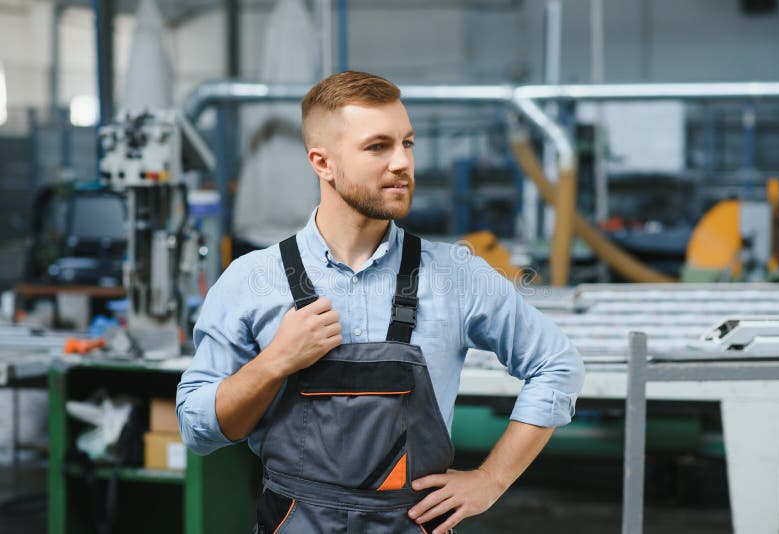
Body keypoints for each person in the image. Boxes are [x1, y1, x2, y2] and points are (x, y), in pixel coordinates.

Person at [177, 71, 585, 534]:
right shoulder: (252, 280)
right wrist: (274, 363)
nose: (402, 163)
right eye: (378, 147)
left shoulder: (456, 276)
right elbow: (198, 429)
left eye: (407, 144)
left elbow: (557, 365)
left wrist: (491, 480)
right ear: (323, 163)